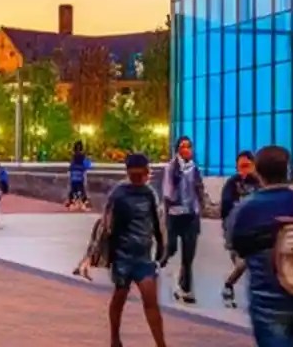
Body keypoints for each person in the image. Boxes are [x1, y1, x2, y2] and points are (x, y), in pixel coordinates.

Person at [227, 145, 293, 347]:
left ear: (258, 172)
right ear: (288, 170)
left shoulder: (247, 208)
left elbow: (236, 244)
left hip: (265, 292)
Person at [101, 153, 167, 347]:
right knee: (120, 296)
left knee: (150, 299)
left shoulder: (149, 194)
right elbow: (106, 224)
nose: (139, 178)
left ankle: (161, 344)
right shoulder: (119, 193)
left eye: (142, 174)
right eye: (134, 175)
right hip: (123, 255)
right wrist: (103, 253)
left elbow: (157, 222)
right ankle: (115, 337)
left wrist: (162, 247)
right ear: (128, 173)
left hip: (143, 256)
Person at [163, 135, 205, 304]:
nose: (187, 150)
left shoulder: (194, 168)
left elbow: (199, 189)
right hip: (175, 214)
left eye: (189, 146)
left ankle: (186, 289)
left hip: (191, 215)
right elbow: (167, 191)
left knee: (188, 255)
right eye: (183, 147)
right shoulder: (171, 167)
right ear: (177, 150)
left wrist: (201, 205)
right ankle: (160, 266)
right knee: (171, 249)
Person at [220, 150, 261, 308]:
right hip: (236, 231)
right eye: (240, 167)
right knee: (242, 264)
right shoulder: (232, 184)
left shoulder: (259, 184)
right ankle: (228, 285)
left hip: (256, 231)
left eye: (247, 166)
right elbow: (225, 207)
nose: (243, 170)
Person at [66, 140, 92, 211]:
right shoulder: (83, 156)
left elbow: (71, 166)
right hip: (80, 175)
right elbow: (87, 165)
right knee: (81, 190)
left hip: (74, 175)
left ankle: (71, 203)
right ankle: (83, 204)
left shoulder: (73, 157)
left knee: (73, 190)